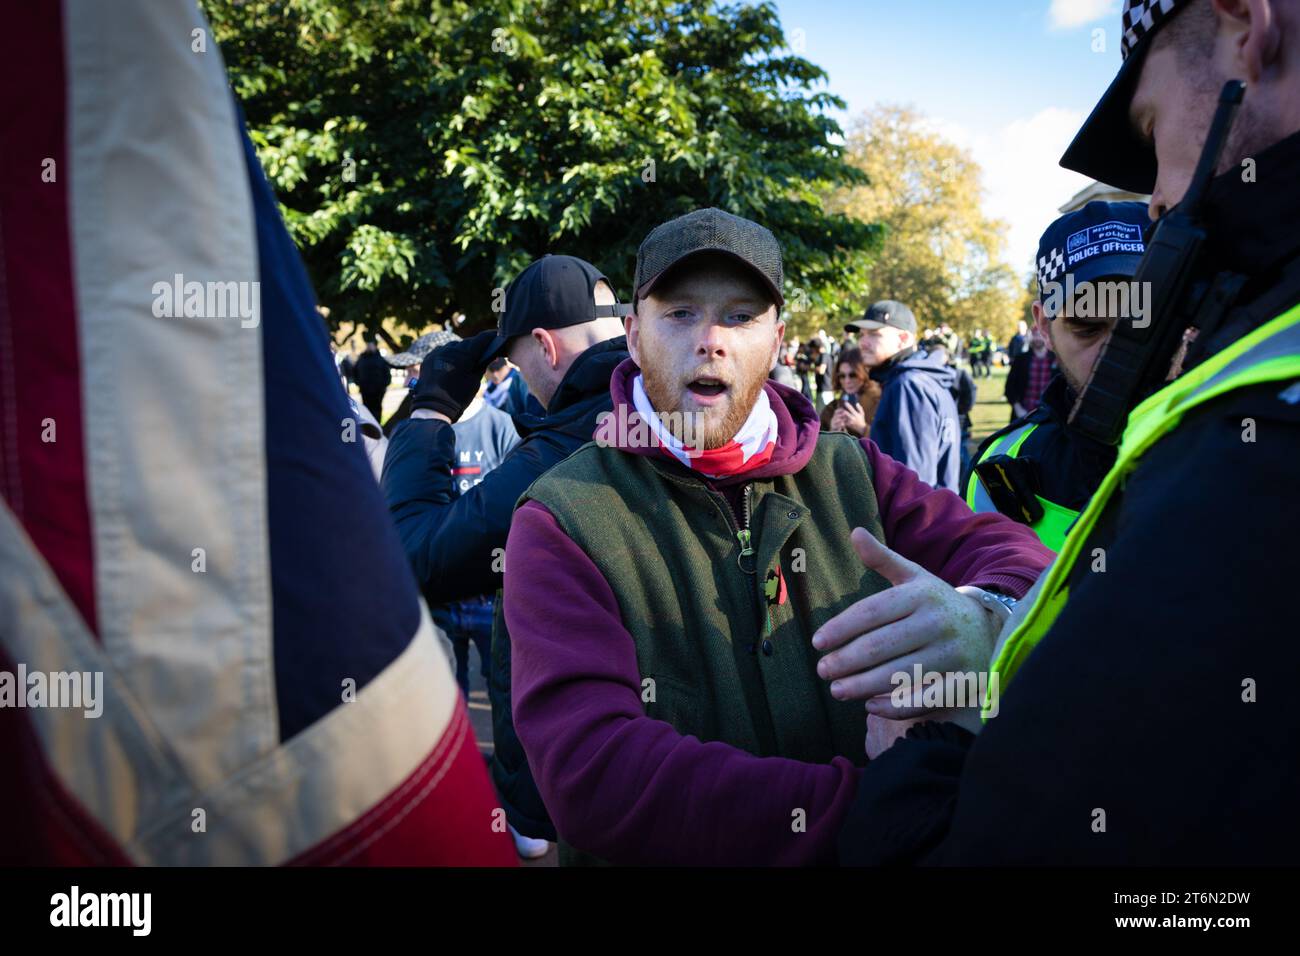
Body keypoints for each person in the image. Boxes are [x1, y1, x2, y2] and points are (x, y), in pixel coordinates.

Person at [839, 0, 1300, 865]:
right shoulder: (1009, 464)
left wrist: (915, 772)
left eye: (1151, 124)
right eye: (1089, 322)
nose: (1164, 192)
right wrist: (986, 617)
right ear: (1044, 327)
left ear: (1252, 24)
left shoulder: (1237, 426)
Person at [501, 207, 1051, 865]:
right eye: (679, 313)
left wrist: (984, 614)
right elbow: (595, 777)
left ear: (779, 340)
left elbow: (1017, 554)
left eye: (739, 316)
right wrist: (874, 810)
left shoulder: (855, 470)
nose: (711, 339)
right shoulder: (559, 519)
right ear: (633, 335)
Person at [381, 254, 629, 858]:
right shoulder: (662, 412)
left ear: (544, 346)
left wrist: (432, 409)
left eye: (514, 361)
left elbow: (412, 554)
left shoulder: (568, 445)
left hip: (597, 779)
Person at [966, 201, 1148, 551]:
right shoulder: (998, 469)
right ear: (1044, 327)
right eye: (1087, 328)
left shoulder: (1246, 441)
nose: (1114, 354)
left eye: (1137, 326)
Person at [849, 300, 963, 492]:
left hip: (921, 518)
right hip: (936, 515)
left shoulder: (908, 385)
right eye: (862, 335)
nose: (862, 342)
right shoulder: (920, 378)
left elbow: (915, 482)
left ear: (903, 339)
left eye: (874, 334)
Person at [820, 345, 881, 437]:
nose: (847, 381)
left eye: (853, 375)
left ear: (865, 374)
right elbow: (818, 445)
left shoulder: (880, 402)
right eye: (842, 376)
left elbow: (890, 443)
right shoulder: (832, 408)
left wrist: (863, 428)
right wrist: (832, 431)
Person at [1003, 325, 1056, 420]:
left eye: (1041, 335)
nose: (1038, 338)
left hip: (1050, 414)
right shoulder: (1021, 360)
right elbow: (1010, 387)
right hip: (1024, 414)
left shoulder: (1056, 360)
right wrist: (1018, 408)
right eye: (1035, 335)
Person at [353, 336, 392, 422]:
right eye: (368, 344)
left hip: (378, 391)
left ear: (375, 346)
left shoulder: (380, 359)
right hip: (365, 389)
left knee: (377, 410)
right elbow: (354, 371)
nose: (369, 346)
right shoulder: (362, 358)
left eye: (371, 345)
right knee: (366, 410)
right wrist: (358, 383)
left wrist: (383, 385)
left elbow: (387, 374)